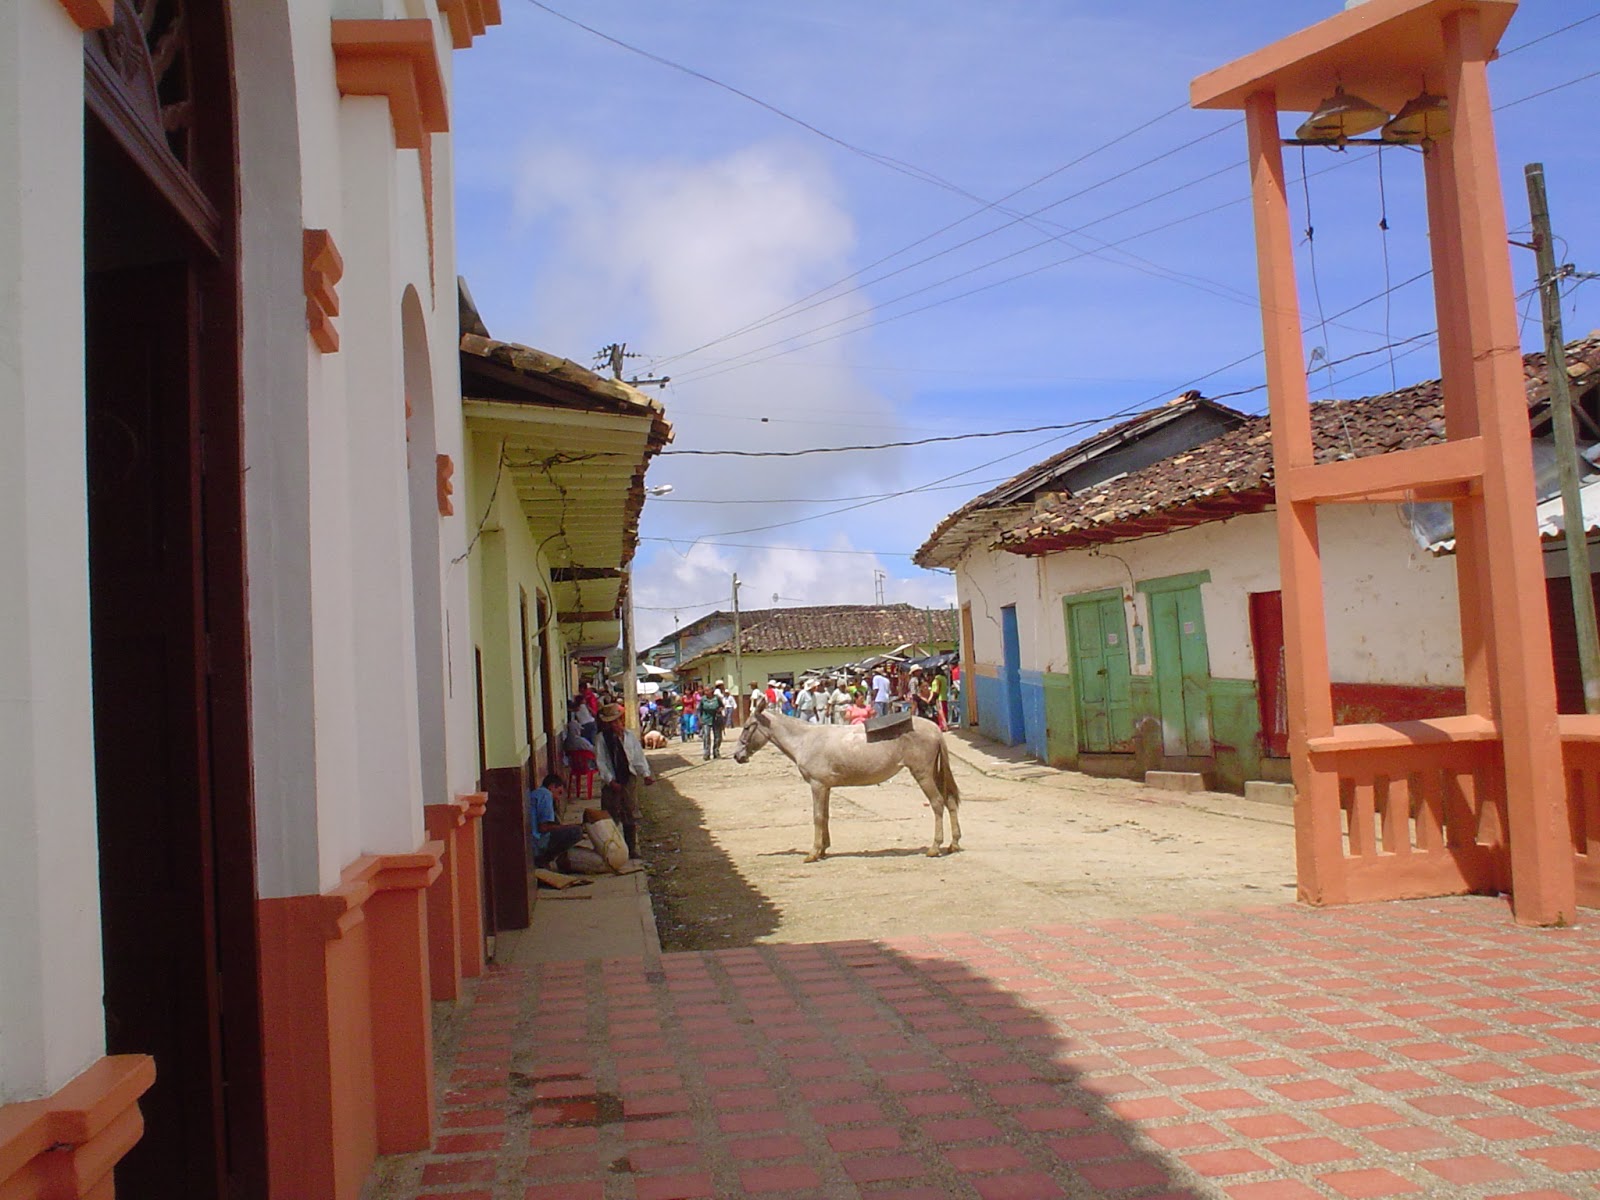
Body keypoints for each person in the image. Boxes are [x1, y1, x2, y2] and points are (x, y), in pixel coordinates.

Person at [594, 703, 651, 858]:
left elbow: (638, 757)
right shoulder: (602, 739)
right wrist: (610, 781)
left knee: (630, 813)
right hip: (611, 781)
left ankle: (631, 849)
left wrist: (645, 774)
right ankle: (611, 850)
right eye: (612, 722)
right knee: (610, 815)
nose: (616, 725)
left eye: (617, 721)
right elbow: (601, 762)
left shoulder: (629, 736)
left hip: (629, 778)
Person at [528, 774, 585, 869]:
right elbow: (543, 827)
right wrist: (569, 827)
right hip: (536, 842)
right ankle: (543, 859)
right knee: (576, 831)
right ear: (552, 786)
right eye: (559, 792)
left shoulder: (537, 793)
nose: (558, 798)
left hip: (532, 840)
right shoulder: (545, 794)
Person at [699, 685, 725, 760]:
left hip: (716, 720)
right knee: (706, 736)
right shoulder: (703, 699)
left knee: (718, 737)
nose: (706, 692)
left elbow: (722, 706)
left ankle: (716, 752)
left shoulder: (717, 698)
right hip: (706, 719)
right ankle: (706, 753)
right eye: (705, 691)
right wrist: (700, 719)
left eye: (707, 691)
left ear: (712, 691)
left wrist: (719, 710)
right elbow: (700, 710)